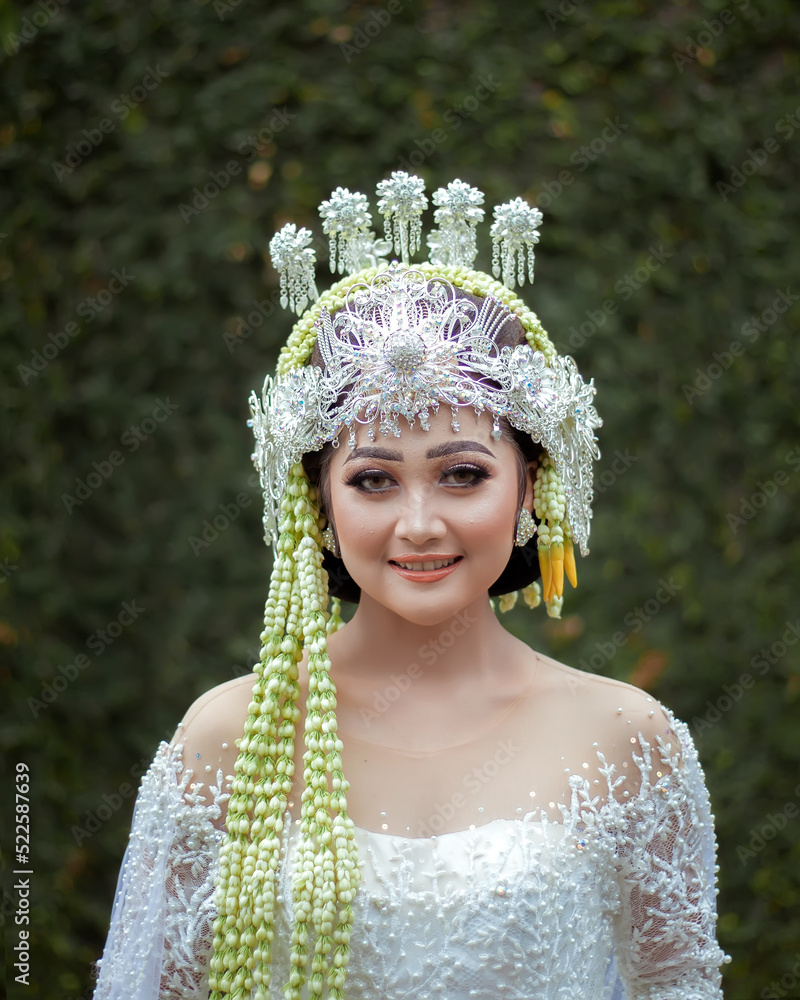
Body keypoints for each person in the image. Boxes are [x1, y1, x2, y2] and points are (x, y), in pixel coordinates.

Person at [93, 174, 729, 1000]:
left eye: (463, 474)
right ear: (318, 503)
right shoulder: (228, 740)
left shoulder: (628, 742)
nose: (420, 524)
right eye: (374, 480)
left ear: (530, 488)